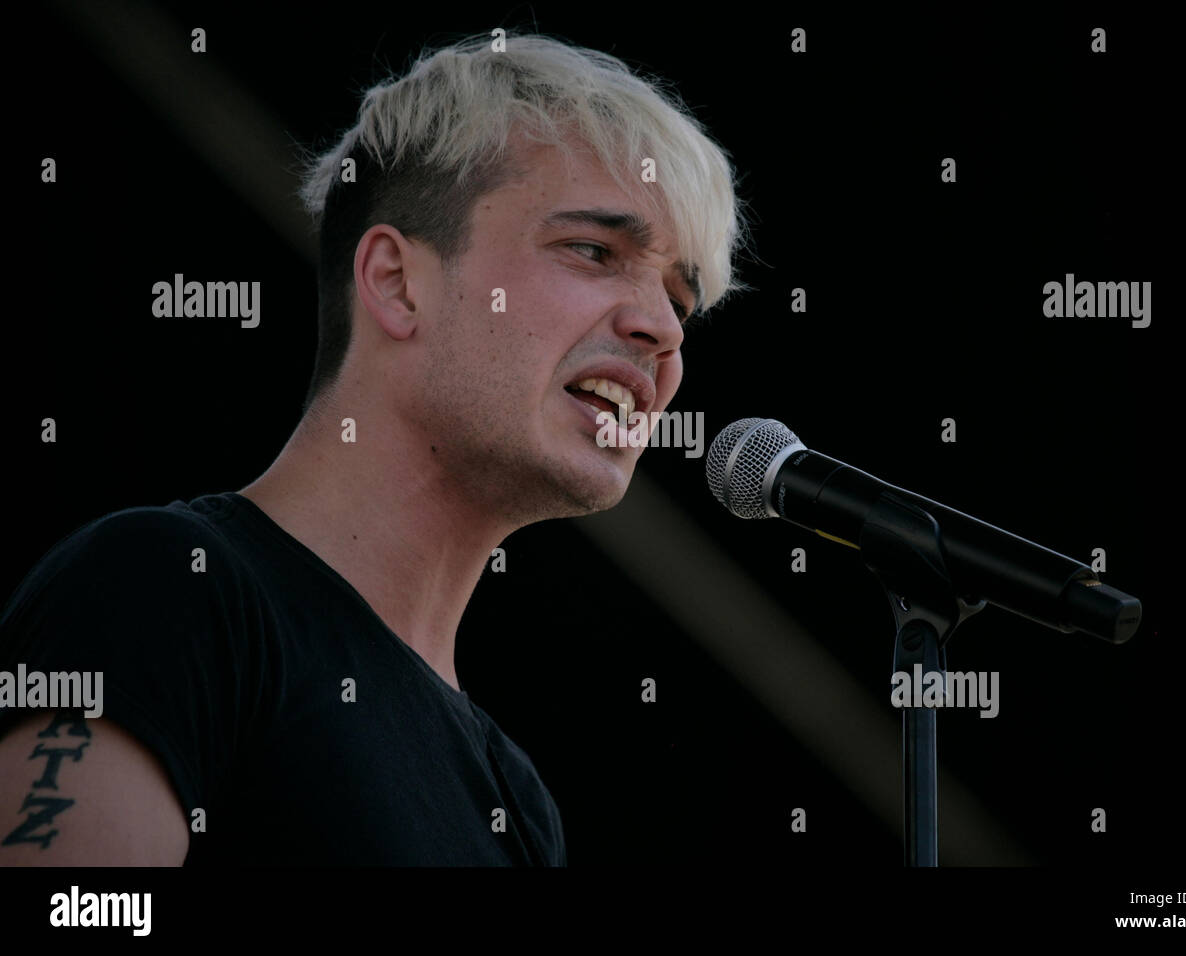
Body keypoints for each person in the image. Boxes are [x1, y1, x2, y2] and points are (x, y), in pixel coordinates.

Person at [0, 31, 748, 865]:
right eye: (594, 251)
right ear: (396, 281)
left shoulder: (522, 810)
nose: (662, 330)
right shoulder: (160, 590)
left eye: (681, 298)